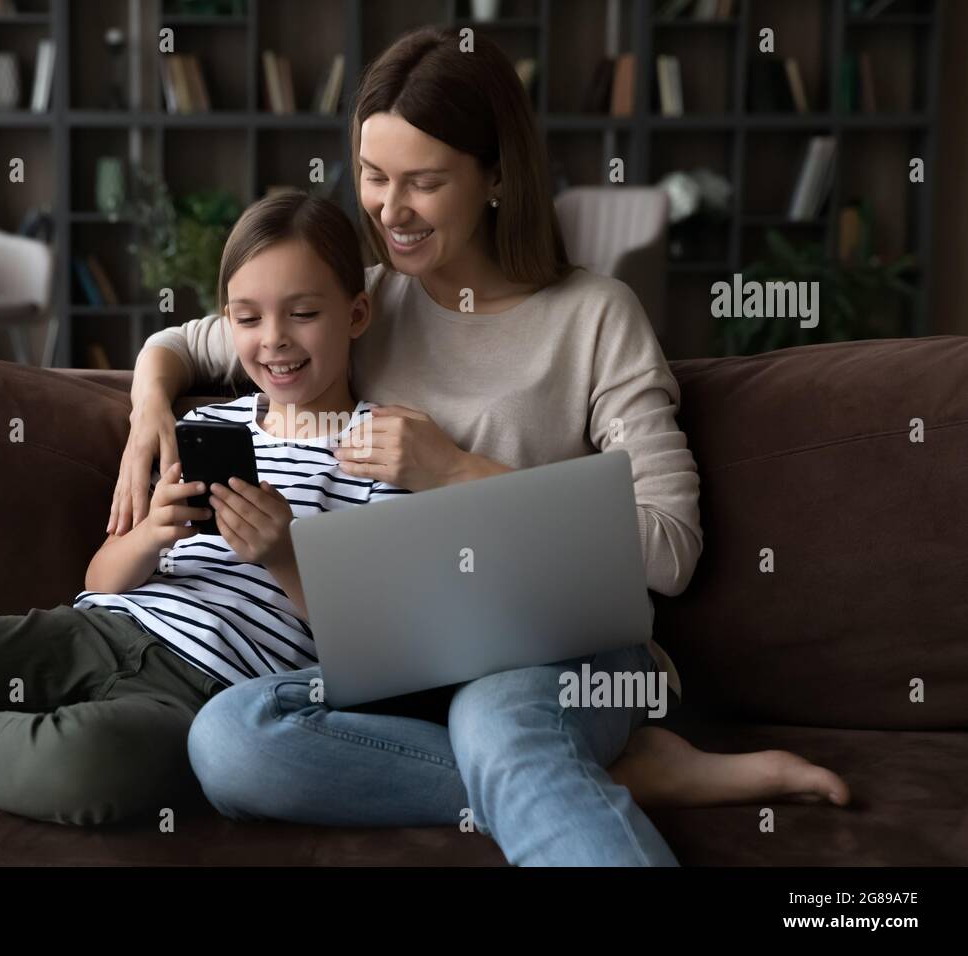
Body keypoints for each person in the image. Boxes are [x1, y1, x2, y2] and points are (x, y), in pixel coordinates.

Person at [110, 27, 849, 865]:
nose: (389, 210)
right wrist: (147, 409)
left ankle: (546, 759)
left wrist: (458, 472)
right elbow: (192, 340)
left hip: (553, 644)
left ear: (497, 177)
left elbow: (670, 549)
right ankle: (620, 776)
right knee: (234, 738)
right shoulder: (360, 303)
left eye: (424, 182)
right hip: (406, 653)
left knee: (498, 721)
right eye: (374, 176)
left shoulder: (594, 317)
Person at [0, 190, 400, 827]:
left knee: (87, 769)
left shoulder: (385, 453)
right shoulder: (211, 428)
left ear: (358, 314)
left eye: (303, 314)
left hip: (205, 694)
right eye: (248, 318)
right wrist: (152, 535)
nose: (274, 341)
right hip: (92, 633)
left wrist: (284, 556)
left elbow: (381, 649)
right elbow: (99, 582)